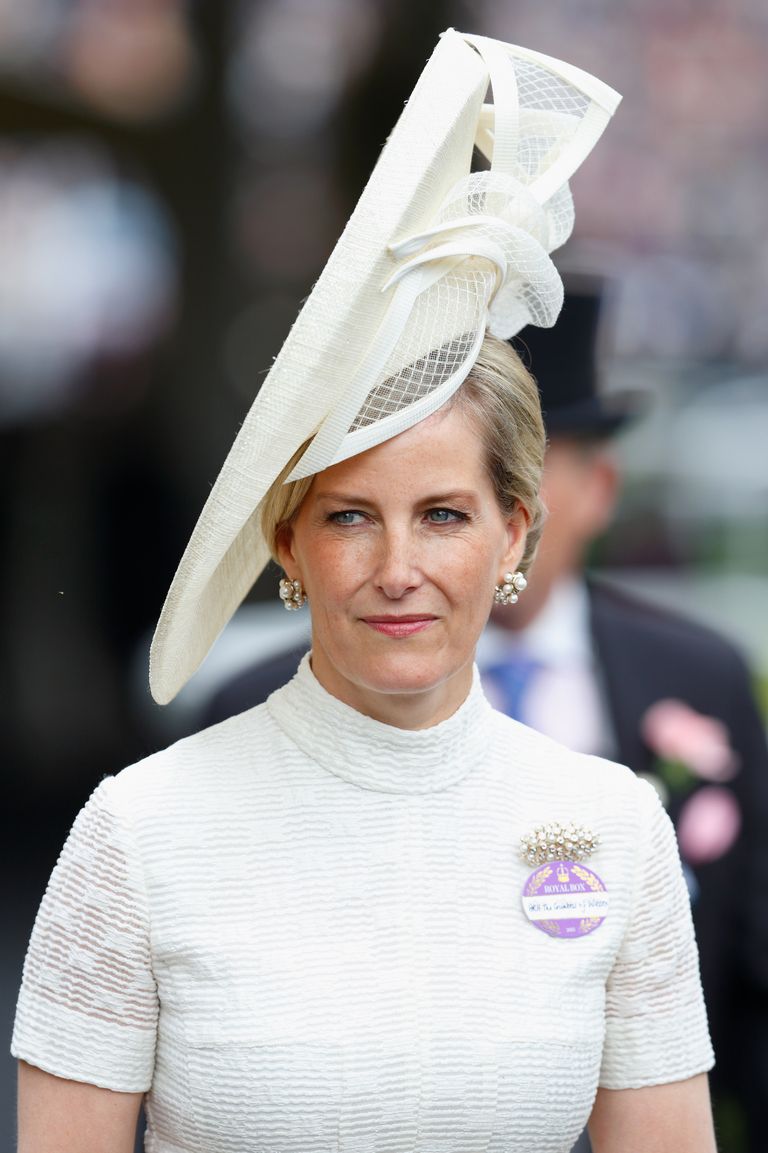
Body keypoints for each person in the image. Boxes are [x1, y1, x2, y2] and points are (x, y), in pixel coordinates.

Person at [12, 31, 716, 1153]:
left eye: (444, 515)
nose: (398, 567)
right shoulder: (138, 833)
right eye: (348, 516)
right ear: (286, 540)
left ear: (513, 533)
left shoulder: (616, 826)